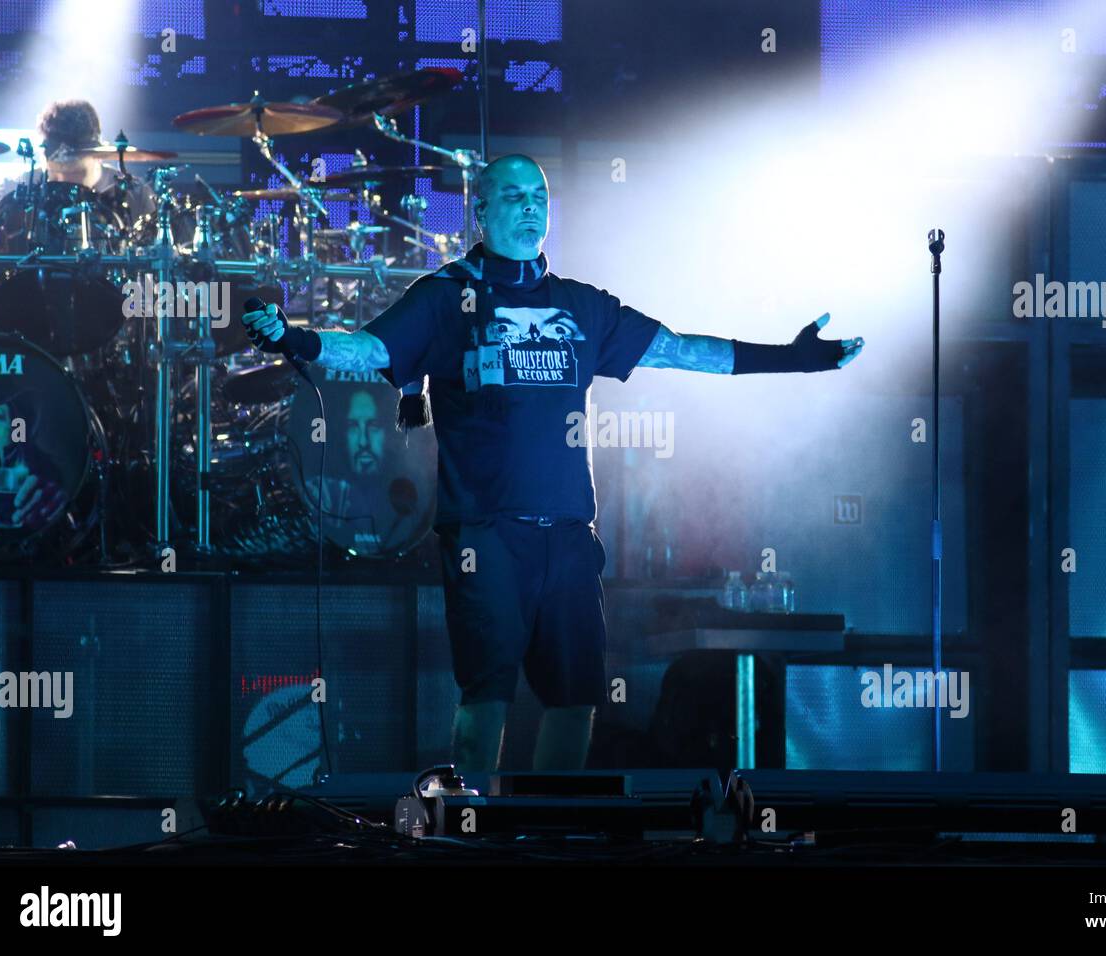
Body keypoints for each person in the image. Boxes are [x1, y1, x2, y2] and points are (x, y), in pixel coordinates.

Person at [242, 154, 864, 772]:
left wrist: (791, 357)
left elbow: (680, 350)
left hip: (567, 533)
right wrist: (295, 337)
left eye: (538, 196)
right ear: (480, 212)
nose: (529, 206)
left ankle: (550, 836)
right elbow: (371, 350)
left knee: (575, 699)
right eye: (511, 196)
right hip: (484, 533)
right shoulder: (444, 297)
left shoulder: (584, 306)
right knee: (485, 696)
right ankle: (470, 831)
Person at [0, 99, 155, 273]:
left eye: (75, 174)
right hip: (28, 300)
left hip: (113, 301)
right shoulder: (11, 190)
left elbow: (161, 267)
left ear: (98, 152)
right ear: (44, 154)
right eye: (58, 174)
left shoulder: (134, 193)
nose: (66, 185)